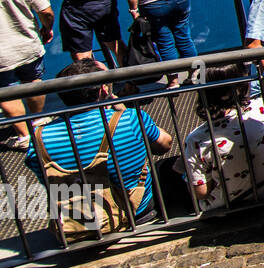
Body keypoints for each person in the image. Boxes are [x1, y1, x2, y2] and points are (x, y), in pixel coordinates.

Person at [26, 58, 176, 235]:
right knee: (167, 167)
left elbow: (46, 180)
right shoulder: (131, 118)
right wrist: (121, 112)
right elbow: (165, 144)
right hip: (136, 212)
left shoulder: (39, 138)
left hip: (76, 222)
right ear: (104, 90)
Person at [179, 62, 264, 212]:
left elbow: (201, 193)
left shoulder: (197, 138)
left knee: (170, 170)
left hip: (228, 208)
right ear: (242, 86)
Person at [0, 0, 54, 150]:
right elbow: (46, 11)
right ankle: (37, 122)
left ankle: (24, 137)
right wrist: (46, 29)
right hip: (28, 44)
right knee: (33, 81)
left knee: (5, 92)